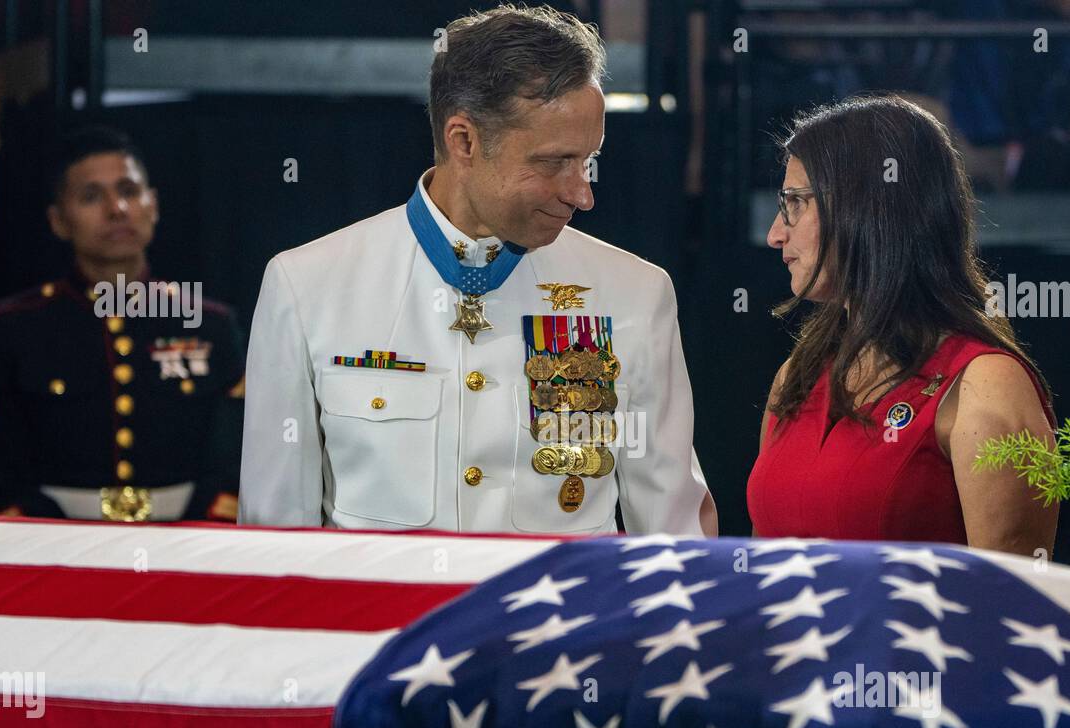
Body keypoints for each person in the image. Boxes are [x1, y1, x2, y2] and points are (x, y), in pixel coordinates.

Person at [239, 4, 717, 535]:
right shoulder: (307, 286)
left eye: (587, 160)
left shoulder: (634, 293)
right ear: (462, 140)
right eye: (554, 162)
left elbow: (674, 535)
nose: (583, 193)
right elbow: (274, 538)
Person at [747, 95, 1059, 556]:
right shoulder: (797, 375)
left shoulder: (987, 385)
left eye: (794, 202)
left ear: (868, 208)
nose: (776, 232)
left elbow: (1012, 606)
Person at [0, 126, 245, 522]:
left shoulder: (210, 325)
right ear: (59, 221)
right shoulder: (11, 328)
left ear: (153, 205)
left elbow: (238, 449)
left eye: (129, 190)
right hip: (50, 544)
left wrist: (204, 531)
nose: (116, 209)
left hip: (192, 539)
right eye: (92, 196)